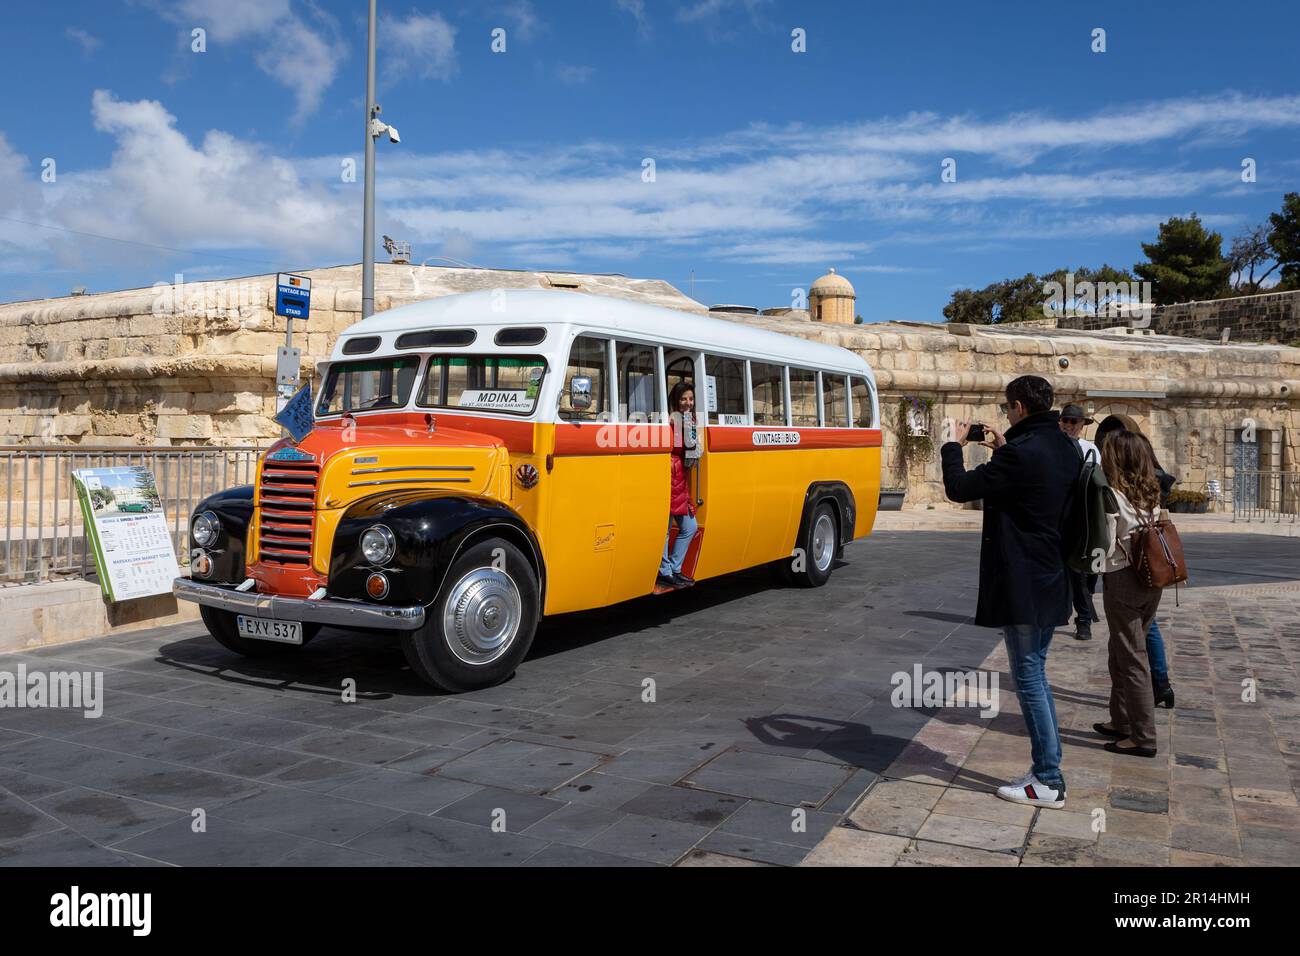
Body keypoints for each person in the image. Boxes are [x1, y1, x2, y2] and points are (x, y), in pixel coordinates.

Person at [942, 375, 1080, 809]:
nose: (1005, 414)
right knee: (1037, 673)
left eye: (1006, 408)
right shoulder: (1065, 446)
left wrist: (952, 445)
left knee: (1030, 678)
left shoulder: (1023, 452)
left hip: (1024, 581)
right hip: (1052, 576)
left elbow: (959, 489)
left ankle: (1048, 778)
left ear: (1019, 407)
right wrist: (1004, 449)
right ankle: (1048, 772)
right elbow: (1031, 492)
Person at [1094, 422, 1177, 709]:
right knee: (1121, 652)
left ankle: (1142, 734)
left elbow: (1104, 543)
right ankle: (1119, 719)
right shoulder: (1152, 492)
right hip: (1152, 576)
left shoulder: (1113, 495)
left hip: (1122, 578)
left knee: (1130, 657)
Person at [1060, 403, 1100, 641]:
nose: (1068, 425)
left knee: (1080, 575)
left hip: (1081, 519)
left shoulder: (1091, 451)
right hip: (1057, 518)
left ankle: (1083, 620)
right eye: (1065, 420)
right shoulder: (1053, 447)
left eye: (1074, 422)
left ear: (1082, 425)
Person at [657, 382, 698, 590]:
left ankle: (672, 568)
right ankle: (666, 571)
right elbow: (688, 446)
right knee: (666, 527)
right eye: (683, 399)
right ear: (676, 399)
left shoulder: (686, 419)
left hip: (679, 475)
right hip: (671, 472)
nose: (687, 403)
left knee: (689, 527)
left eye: (690, 399)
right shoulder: (675, 419)